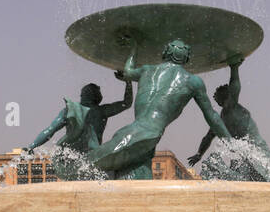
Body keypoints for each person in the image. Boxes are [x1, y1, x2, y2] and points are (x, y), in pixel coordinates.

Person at [86, 39, 233, 180]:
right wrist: (231, 142)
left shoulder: (147, 70)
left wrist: (134, 47)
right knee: (119, 169)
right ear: (187, 59)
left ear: (164, 53)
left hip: (139, 134)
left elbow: (127, 71)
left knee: (86, 164)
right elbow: (212, 117)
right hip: (147, 134)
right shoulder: (192, 81)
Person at [187, 55, 270, 184]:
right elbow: (235, 88)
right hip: (259, 158)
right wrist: (234, 68)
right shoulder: (230, 109)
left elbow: (208, 137)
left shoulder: (221, 119)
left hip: (264, 156)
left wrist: (199, 154)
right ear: (226, 98)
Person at [27, 73, 133, 180]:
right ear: (97, 97)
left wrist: (32, 146)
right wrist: (128, 82)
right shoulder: (101, 111)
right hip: (93, 160)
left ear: (83, 96)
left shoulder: (70, 110)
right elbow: (126, 103)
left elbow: (50, 130)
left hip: (69, 160)